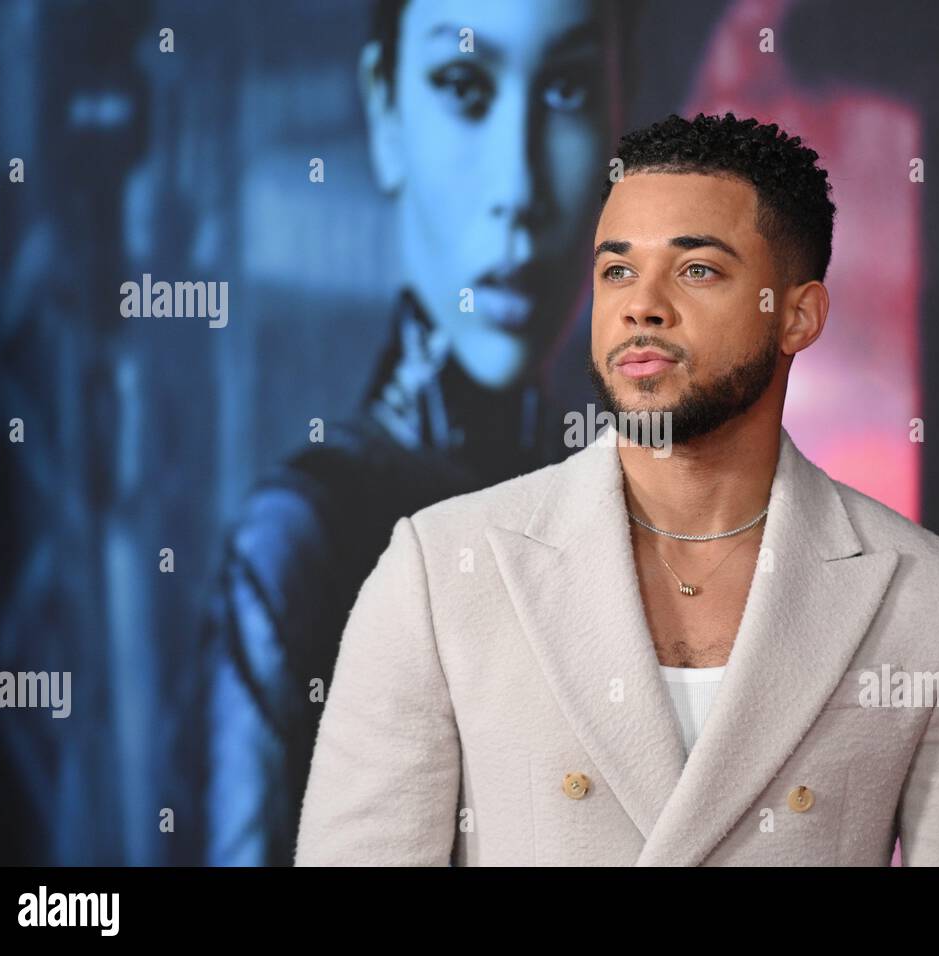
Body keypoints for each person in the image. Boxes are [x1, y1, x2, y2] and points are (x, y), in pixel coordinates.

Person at [294, 112, 939, 866]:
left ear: (798, 315)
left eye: (698, 270)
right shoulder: (442, 571)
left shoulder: (934, 601)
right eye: (616, 269)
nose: (641, 305)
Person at [205, 0, 634, 866]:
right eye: (465, 88)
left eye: (566, 91)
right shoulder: (305, 545)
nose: (518, 189)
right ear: (387, 112)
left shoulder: (633, 527)